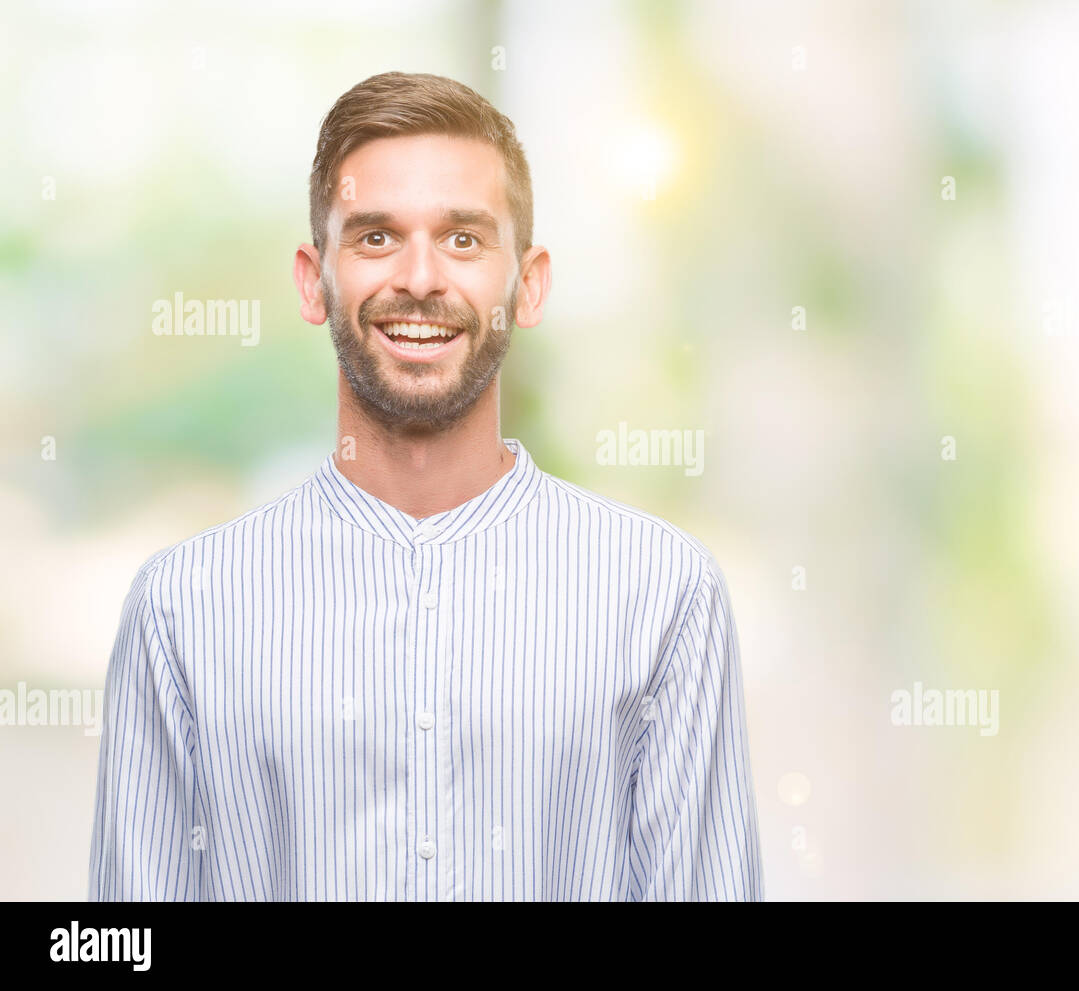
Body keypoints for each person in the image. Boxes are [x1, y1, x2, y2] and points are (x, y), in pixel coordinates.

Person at [88, 71, 763, 901]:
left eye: (464, 239)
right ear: (312, 280)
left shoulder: (662, 595)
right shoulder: (181, 609)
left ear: (529, 284)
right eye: (376, 237)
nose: (418, 277)